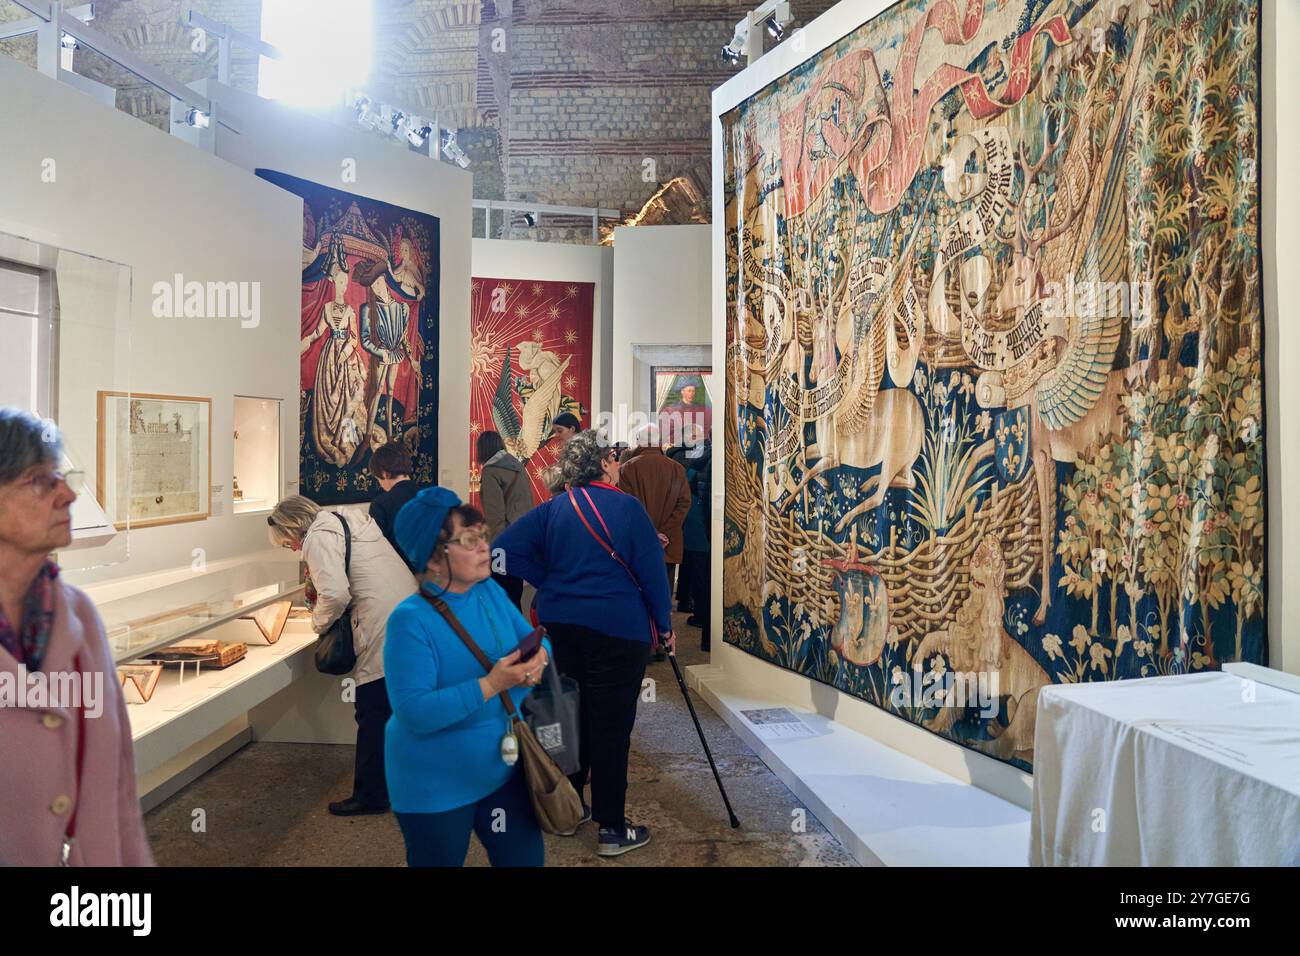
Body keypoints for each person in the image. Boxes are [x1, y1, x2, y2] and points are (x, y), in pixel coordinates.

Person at [496, 430, 673, 857]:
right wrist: (664, 626)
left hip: (564, 627)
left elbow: (500, 551)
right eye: (612, 457)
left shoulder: (553, 509)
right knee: (611, 727)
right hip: (618, 629)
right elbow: (652, 573)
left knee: (572, 719)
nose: (617, 463)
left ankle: (570, 809)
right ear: (602, 463)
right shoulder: (628, 509)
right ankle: (612, 828)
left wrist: (548, 580)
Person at [0, 408, 153, 866]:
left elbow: (120, 792)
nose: (67, 495)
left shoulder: (79, 614)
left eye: (63, 477)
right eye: (41, 481)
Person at [386, 487, 552, 867]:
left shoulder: (489, 591)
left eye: (483, 537)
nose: (483, 548)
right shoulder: (409, 620)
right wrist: (493, 684)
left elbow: (536, 643)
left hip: (504, 768)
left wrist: (539, 658)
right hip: (436, 785)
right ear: (433, 557)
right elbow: (414, 711)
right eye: (469, 540)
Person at [268, 495, 415, 816]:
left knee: (372, 711)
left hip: (380, 624)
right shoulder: (347, 521)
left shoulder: (319, 538)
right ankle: (399, 783)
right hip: (404, 615)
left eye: (287, 542)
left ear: (293, 528)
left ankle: (372, 795)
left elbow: (334, 593)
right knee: (391, 709)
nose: (292, 549)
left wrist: (317, 622)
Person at [618, 423, 690, 662]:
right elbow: (683, 504)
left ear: (639, 441)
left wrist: (649, 533)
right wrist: (665, 532)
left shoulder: (627, 469)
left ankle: (644, 644)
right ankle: (662, 642)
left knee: (638, 593)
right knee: (664, 593)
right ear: (659, 442)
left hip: (637, 544)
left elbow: (626, 506)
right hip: (668, 544)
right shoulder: (677, 469)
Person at [476, 430, 534, 608]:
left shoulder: (491, 472)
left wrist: (493, 548)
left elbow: (495, 516)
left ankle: (506, 634)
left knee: (501, 595)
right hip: (522, 537)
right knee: (514, 593)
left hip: (503, 542)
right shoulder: (516, 465)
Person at [680, 437, 712, 650]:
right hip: (705, 526)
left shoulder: (692, 467)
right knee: (707, 579)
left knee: (697, 576)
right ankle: (704, 618)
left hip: (693, 526)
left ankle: (699, 613)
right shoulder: (713, 463)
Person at [368, 442, 422, 566]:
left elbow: (378, 550)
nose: (380, 485)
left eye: (378, 479)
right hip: (435, 574)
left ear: (384, 474)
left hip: (402, 573)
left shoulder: (380, 504)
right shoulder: (430, 495)